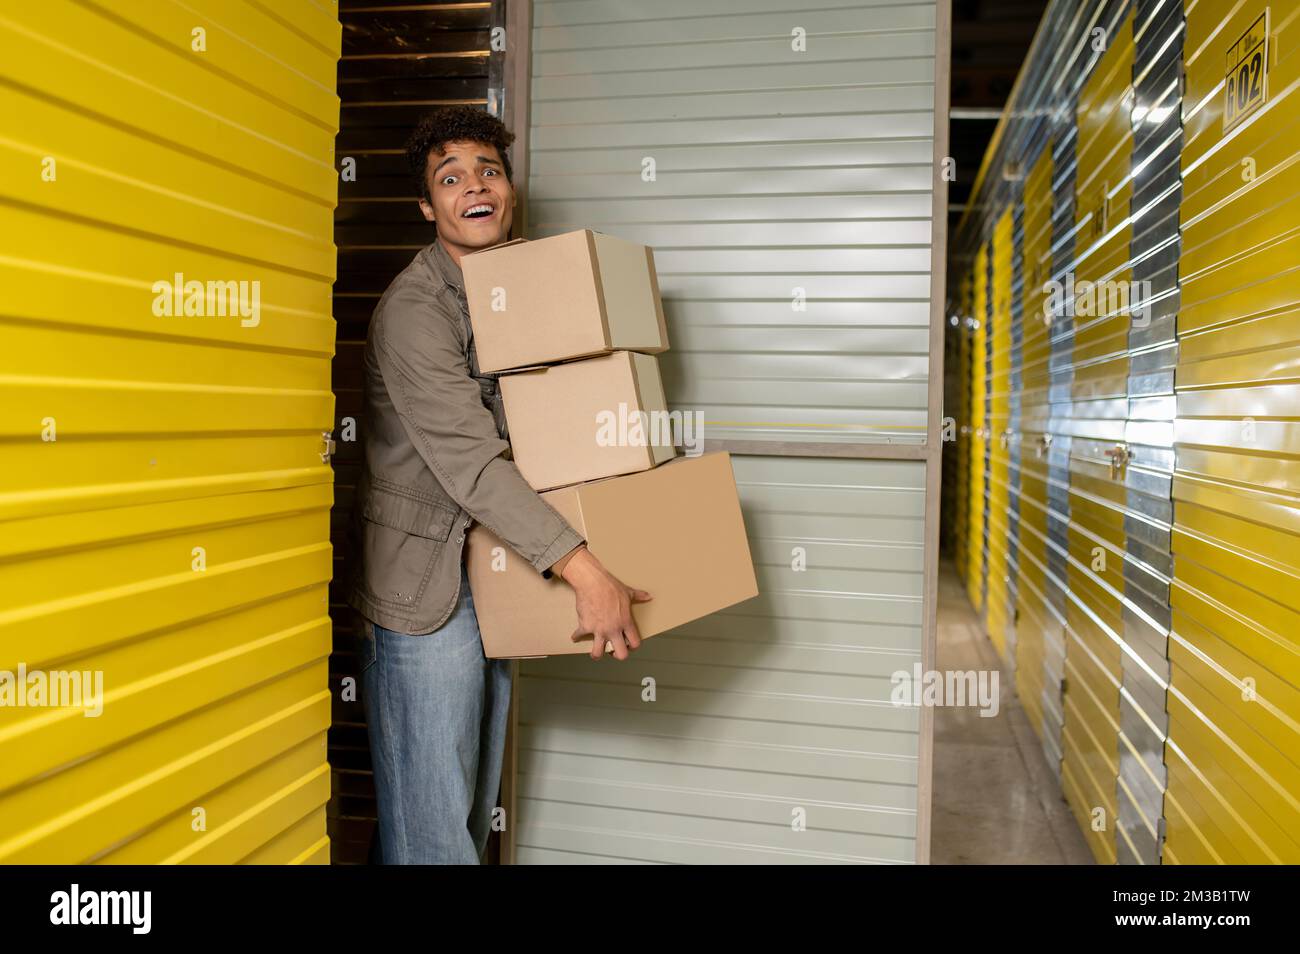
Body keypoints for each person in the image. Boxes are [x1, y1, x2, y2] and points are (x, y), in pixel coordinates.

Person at [344, 106, 651, 864]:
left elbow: (559, 421)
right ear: (428, 208)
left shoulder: (520, 290)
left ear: (508, 187)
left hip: (496, 573)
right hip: (424, 593)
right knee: (435, 839)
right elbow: (475, 463)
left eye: (488, 170)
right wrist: (586, 571)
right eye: (450, 178)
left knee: (465, 818)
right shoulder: (415, 312)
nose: (474, 187)